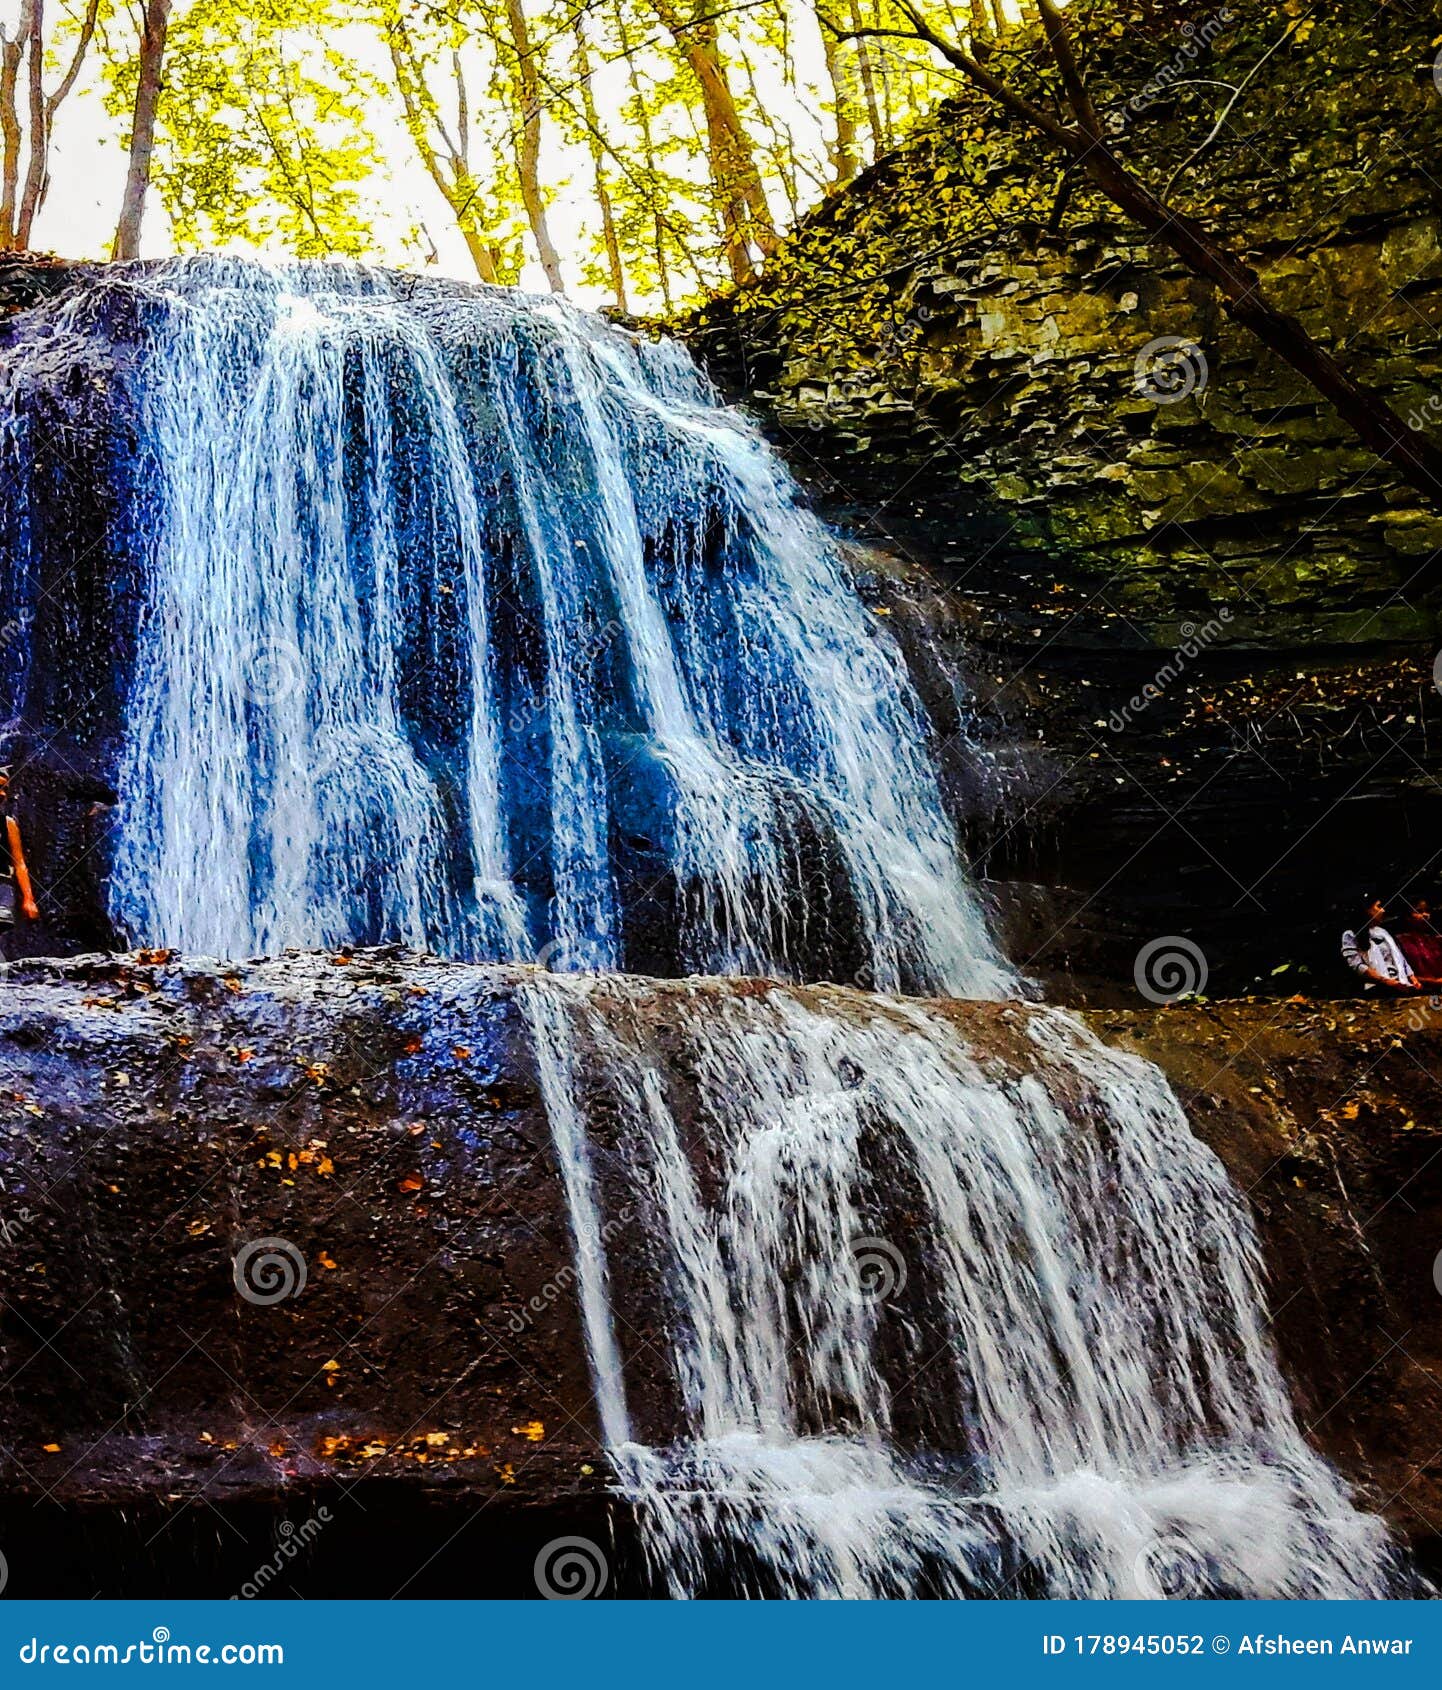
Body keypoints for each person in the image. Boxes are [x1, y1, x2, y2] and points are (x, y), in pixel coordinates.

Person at [1341, 896, 1418, 993]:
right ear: (1367, 910)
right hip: (1376, 987)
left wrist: (1412, 977)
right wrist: (1385, 981)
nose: (1383, 910)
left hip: (1399, 983)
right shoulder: (1351, 934)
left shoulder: (1383, 932)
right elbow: (1357, 965)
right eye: (1379, 906)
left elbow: (1399, 957)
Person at [1395, 896, 1442, 988]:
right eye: (1419, 911)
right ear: (1407, 917)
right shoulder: (1399, 941)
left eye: (1427, 911)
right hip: (1418, 991)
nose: (1426, 915)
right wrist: (1435, 981)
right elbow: (1401, 974)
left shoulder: (1434, 939)